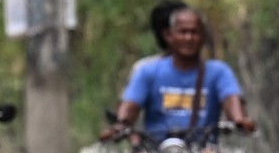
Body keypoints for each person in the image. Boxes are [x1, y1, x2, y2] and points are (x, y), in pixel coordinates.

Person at [105, 7, 255, 141]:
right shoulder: (148, 71)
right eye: (183, 32)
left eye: (194, 32)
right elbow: (131, 104)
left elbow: (231, 98)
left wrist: (239, 120)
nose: (188, 38)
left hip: (203, 152)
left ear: (203, 37)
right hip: (155, 151)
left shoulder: (219, 72)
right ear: (169, 35)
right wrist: (121, 124)